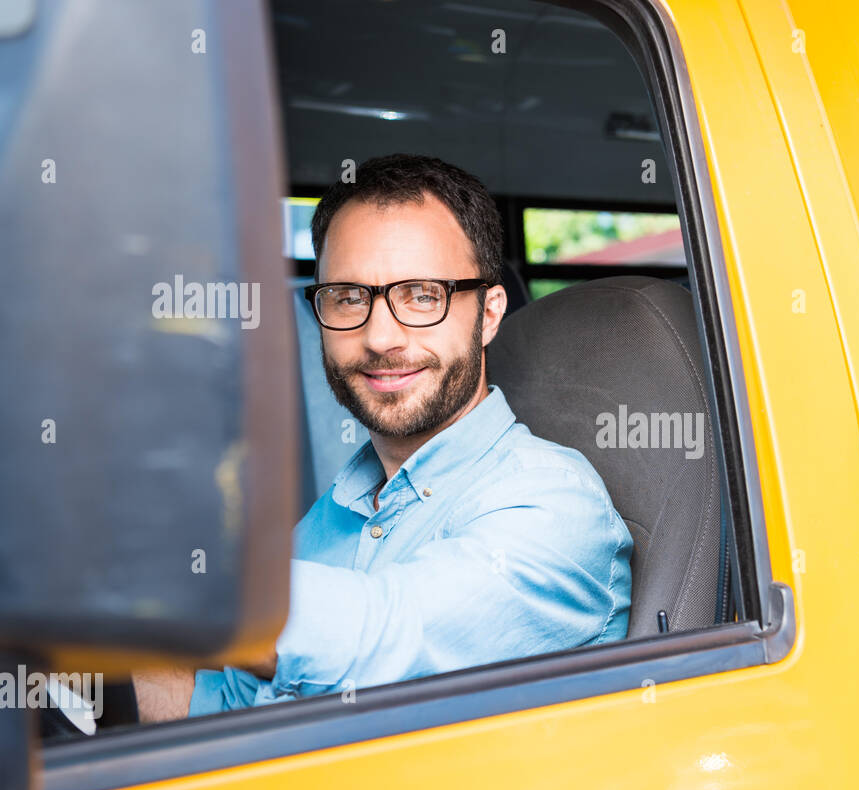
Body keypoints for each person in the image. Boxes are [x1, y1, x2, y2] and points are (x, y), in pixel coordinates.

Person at [134, 154, 633, 720]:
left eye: (422, 294)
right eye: (348, 296)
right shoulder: (331, 518)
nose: (379, 336)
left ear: (489, 313)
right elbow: (222, 709)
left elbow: (381, 633)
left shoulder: (556, 507)